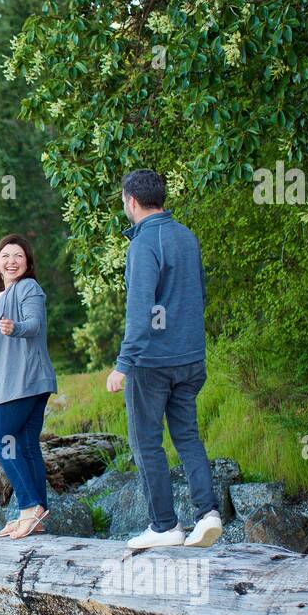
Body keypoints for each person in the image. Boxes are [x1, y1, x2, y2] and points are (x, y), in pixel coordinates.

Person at [104, 169, 224, 549]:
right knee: (187, 436)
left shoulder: (143, 243)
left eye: (124, 201)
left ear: (131, 202)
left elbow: (141, 309)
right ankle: (208, 514)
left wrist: (124, 363)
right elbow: (198, 297)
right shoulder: (186, 236)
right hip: (190, 359)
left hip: (151, 364)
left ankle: (164, 526)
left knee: (146, 443)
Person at [0, 234, 58, 539]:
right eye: (5, 256)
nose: (11, 261)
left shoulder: (29, 288)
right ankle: (36, 517)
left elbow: (34, 324)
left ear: (28, 263)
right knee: (25, 444)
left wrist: (17, 328)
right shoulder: (0, 297)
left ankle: (29, 508)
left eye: (18, 256)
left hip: (22, 382)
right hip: (13, 383)